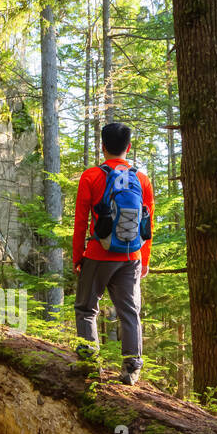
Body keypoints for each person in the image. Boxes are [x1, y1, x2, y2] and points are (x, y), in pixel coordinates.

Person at [72, 122, 154, 385]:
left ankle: (89, 363)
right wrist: (145, 261)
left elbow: (81, 222)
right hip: (132, 256)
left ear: (103, 146)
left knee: (86, 308)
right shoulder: (142, 179)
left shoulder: (91, 176)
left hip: (98, 254)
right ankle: (132, 368)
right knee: (129, 312)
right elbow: (147, 224)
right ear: (128, 147)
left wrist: (78, 257)